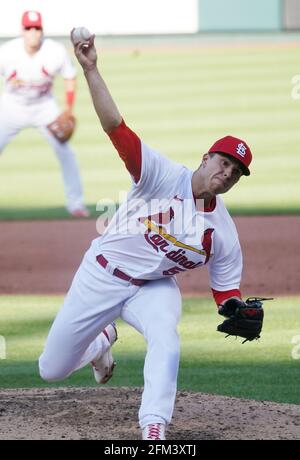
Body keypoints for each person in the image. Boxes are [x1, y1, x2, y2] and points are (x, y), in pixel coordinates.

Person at [39, 29, 253, 440]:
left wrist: (236, 310)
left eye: (235, 173)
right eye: (223, 163)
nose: (226, 174)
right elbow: (116, 127)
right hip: (101, 275)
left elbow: (226, 291)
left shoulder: (223, 233)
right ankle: (102, 339)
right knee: (52, 369)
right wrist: (90, 69)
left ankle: (153, 425)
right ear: (206, 158)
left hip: (153, 288)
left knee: (166, 340)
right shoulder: (159, 175)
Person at [0, 11, 89, 217]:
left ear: (42, 30)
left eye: (37, 28)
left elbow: (70, 76)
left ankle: (75, 204)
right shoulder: (6, 52)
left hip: (45, 108)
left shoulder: (54, 51)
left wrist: (68, 109)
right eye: (29, 28)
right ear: (22, 30)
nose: (33, 32)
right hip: (11, 107)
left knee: (66, 153)